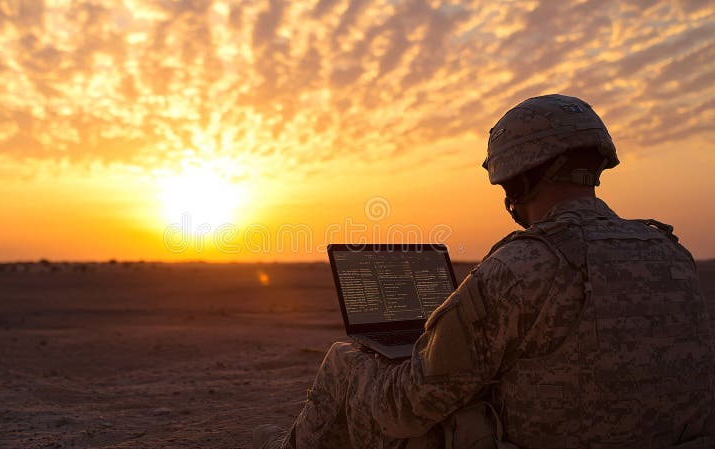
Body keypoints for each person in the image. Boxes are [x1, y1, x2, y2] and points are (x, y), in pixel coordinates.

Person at [252, 94, 715, 449]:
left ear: (518, 178)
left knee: (344, 362)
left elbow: (412, 405)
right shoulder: (671, 252)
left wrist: (366, 365)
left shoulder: (521, 266)